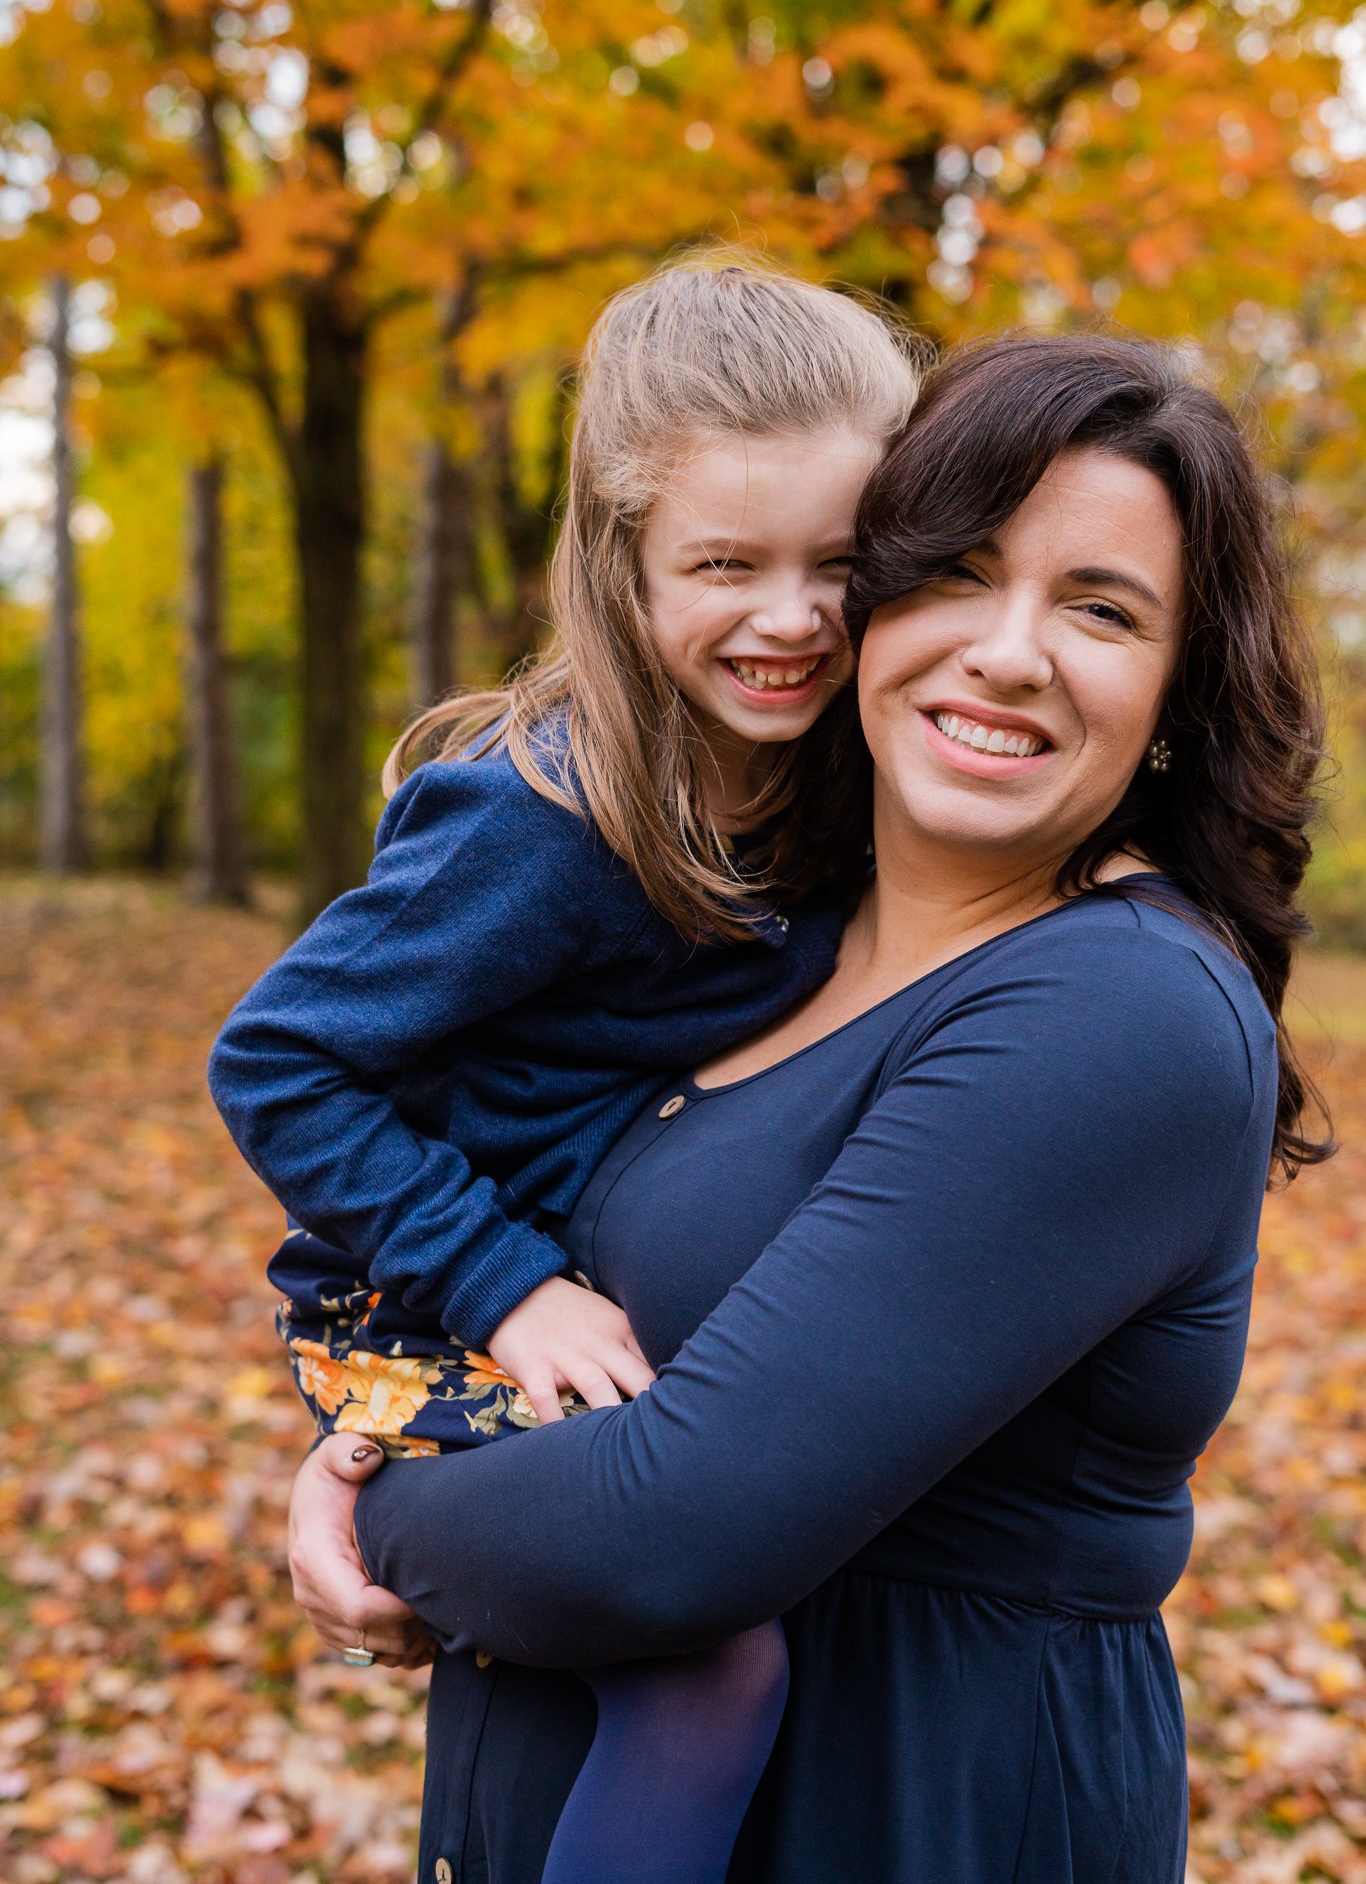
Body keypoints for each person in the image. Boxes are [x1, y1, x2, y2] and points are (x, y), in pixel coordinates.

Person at [288, 331, 1329, 1884]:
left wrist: (369, 1504)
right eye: (956, 572)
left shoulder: (1116, 1009)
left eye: (1100, 609)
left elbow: (671, 1530)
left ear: (1178, 686)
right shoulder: (751, 933)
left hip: (898, 1813)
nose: (1009, 652)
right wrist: (409, 1422)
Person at [208, 258, 922, 1884]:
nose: (792, 617)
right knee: (710, 1665)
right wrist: (504, 1287)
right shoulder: (546, 819)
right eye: (725, 564)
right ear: (622, 560)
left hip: (589, 1285)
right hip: (421, 1311)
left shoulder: (833, 775)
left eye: (839, 564)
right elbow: (279, 1058)